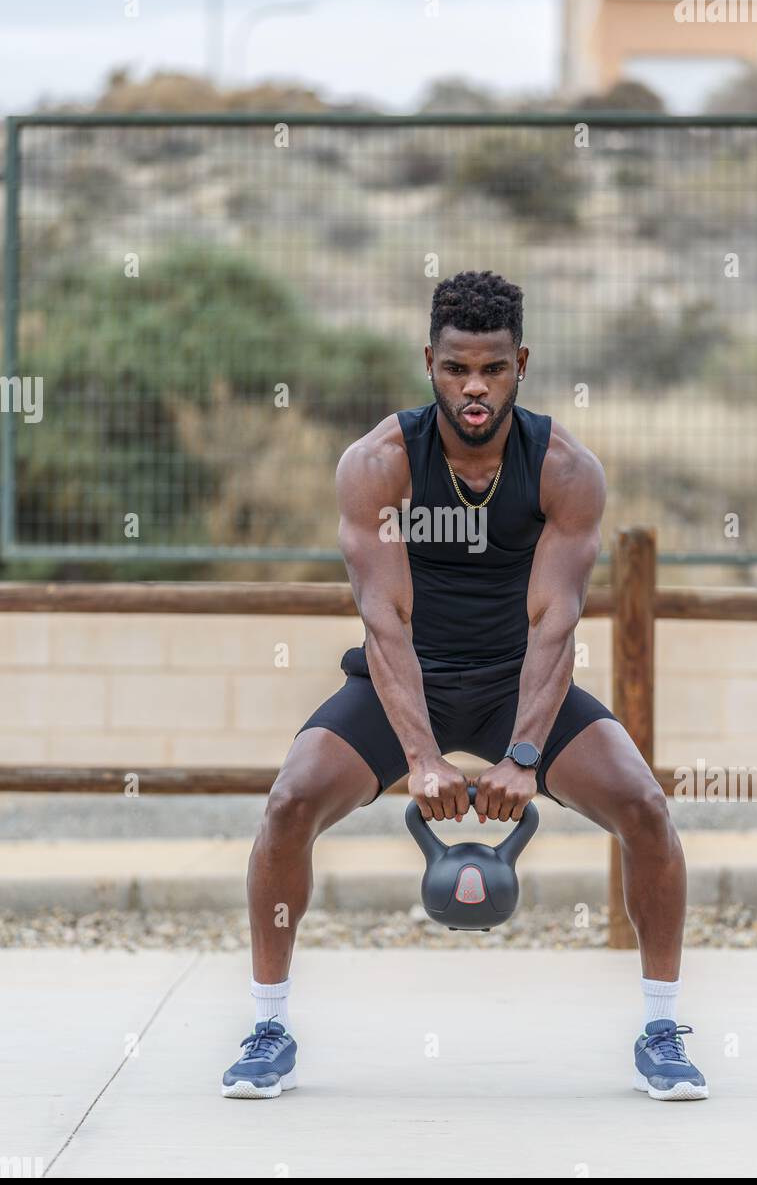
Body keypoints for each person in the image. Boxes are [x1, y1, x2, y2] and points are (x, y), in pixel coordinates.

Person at [221, 270, 708, 1102]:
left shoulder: (564, 469)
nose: (474, 387)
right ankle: (268, 1026)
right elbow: (385, 621)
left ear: (521, 363)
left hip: (521, 686)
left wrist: (523, 754)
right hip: (403, 681)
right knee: (289, 804)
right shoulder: (378, 464)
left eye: (491, 368)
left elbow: (555, 624)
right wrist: (419, 756)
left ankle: (662, 1030)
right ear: (429, 364)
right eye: (456, 369)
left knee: (645, 807)